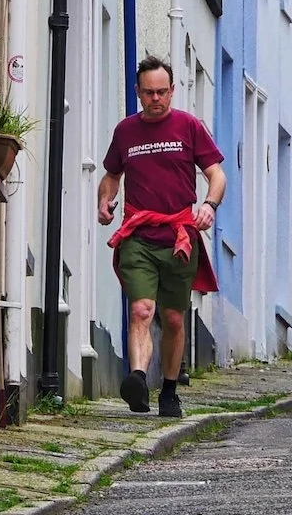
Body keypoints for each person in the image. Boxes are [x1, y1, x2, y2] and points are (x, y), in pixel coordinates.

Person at [97, 56, 227, 419]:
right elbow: (111, 175)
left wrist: (209, 206)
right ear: (138, 92)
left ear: (172, 91)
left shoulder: (188, 127)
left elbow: (216, 175)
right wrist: (105, 201)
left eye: (162, 92)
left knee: (172, 318)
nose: (156, 99)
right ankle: (138, 379)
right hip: (138, 235)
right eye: (148, 92)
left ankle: (169, 389)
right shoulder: (125, 132)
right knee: (141, 309)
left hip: (179, 238)